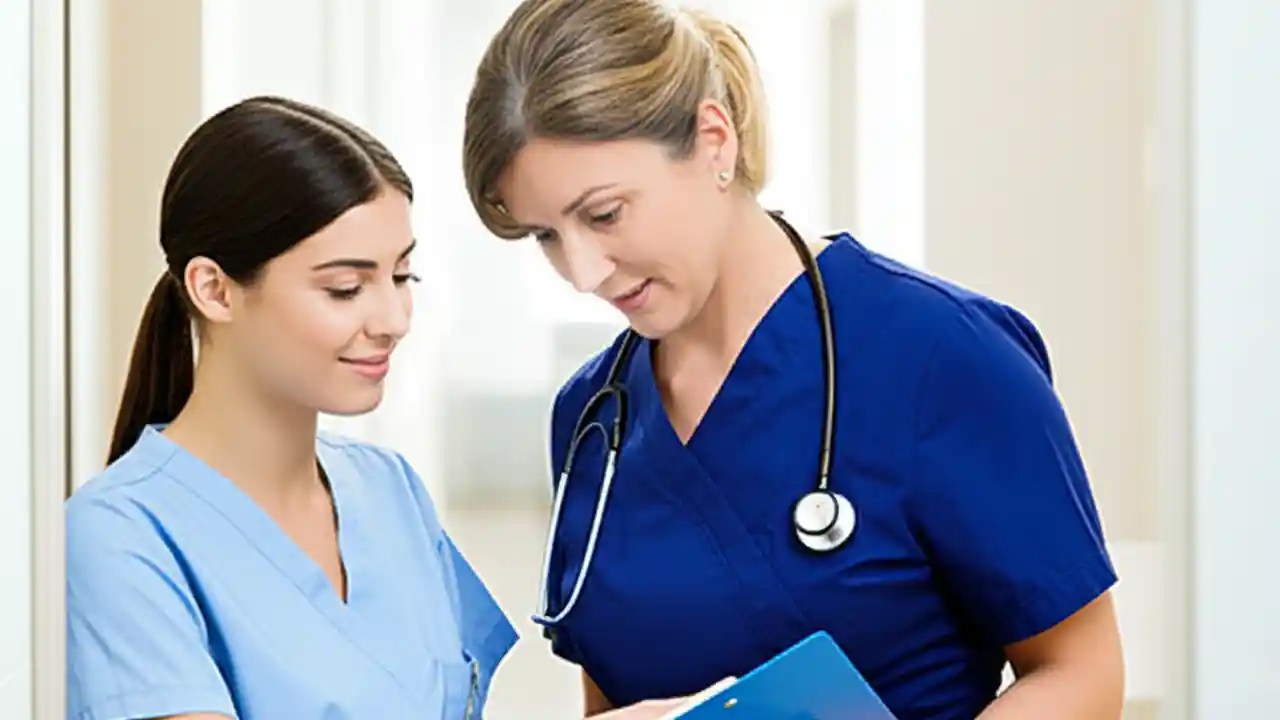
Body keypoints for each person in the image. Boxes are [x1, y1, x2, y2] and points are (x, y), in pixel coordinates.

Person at [462, 1, 1125, 719]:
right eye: (546, 237)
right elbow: (614, 694)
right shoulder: (593, 416)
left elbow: (1080, 674)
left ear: (714, 140)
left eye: (604, 214)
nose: (584, 272)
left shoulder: (942, 357)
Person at [65, 96, 683, 720]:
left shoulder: (388, 490)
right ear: (214, 289)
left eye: (402, 277)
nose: (393, 320)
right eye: (345, 288)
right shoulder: (118, 537)